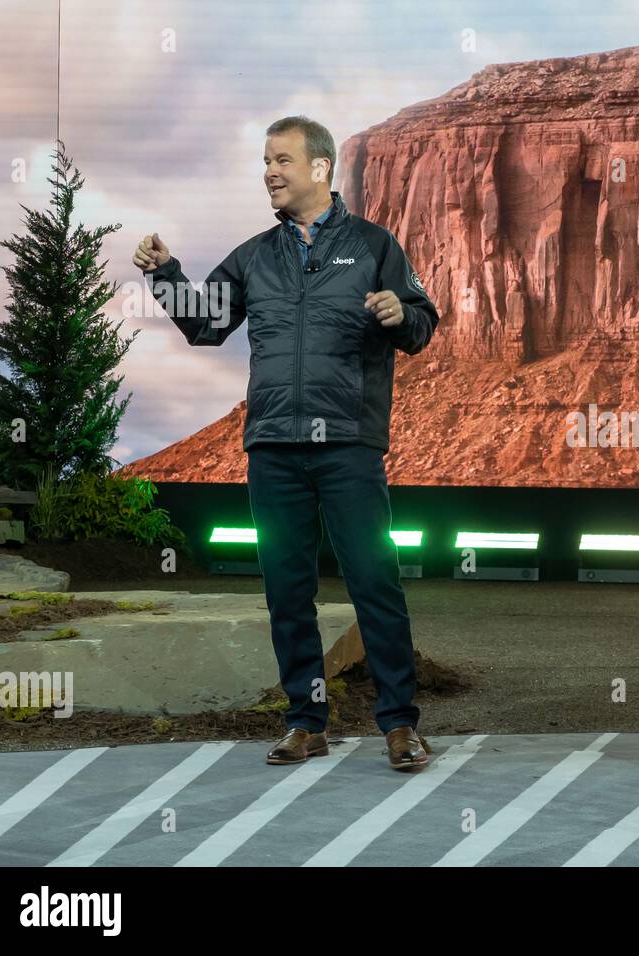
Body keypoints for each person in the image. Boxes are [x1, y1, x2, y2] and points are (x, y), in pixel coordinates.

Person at [133, 115, 440, 772]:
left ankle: (399, 725)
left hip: (348, 445)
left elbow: (421, 325)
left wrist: (400, 314)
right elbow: (207, 324)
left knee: (374, 581)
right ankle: (306, 721)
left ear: (321, 168)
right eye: (265, 161)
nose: (269, 172)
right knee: (287, 590)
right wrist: (165, 273)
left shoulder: (373, 245)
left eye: (281, 160)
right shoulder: (254, 256)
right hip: (272, 445)